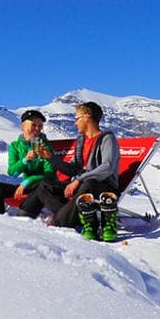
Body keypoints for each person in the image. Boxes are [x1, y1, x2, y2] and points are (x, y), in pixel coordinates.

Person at [34, 101, 121, 241]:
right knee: (44, 186)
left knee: (89, 184)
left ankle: (59, 222)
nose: (75, 123)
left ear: (87, 117)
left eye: (77, 118)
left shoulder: (107, 139)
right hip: (82, 186)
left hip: (104, 187)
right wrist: (51, 158)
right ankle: (79, 218)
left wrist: (79, 180)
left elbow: (107, 167)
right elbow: (73, 168)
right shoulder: (81, 141)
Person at [0, 110, 56, 217]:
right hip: (25, 188)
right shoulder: (15, 146)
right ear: (23, 126)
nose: (37, 129)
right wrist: (25, 160)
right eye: (33, 125)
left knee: (40, 186)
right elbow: (13, 173)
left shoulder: (45, 146)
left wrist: (26, 182)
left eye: (40, 126)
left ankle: (24, 216)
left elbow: (50, 175)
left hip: (41, 187)